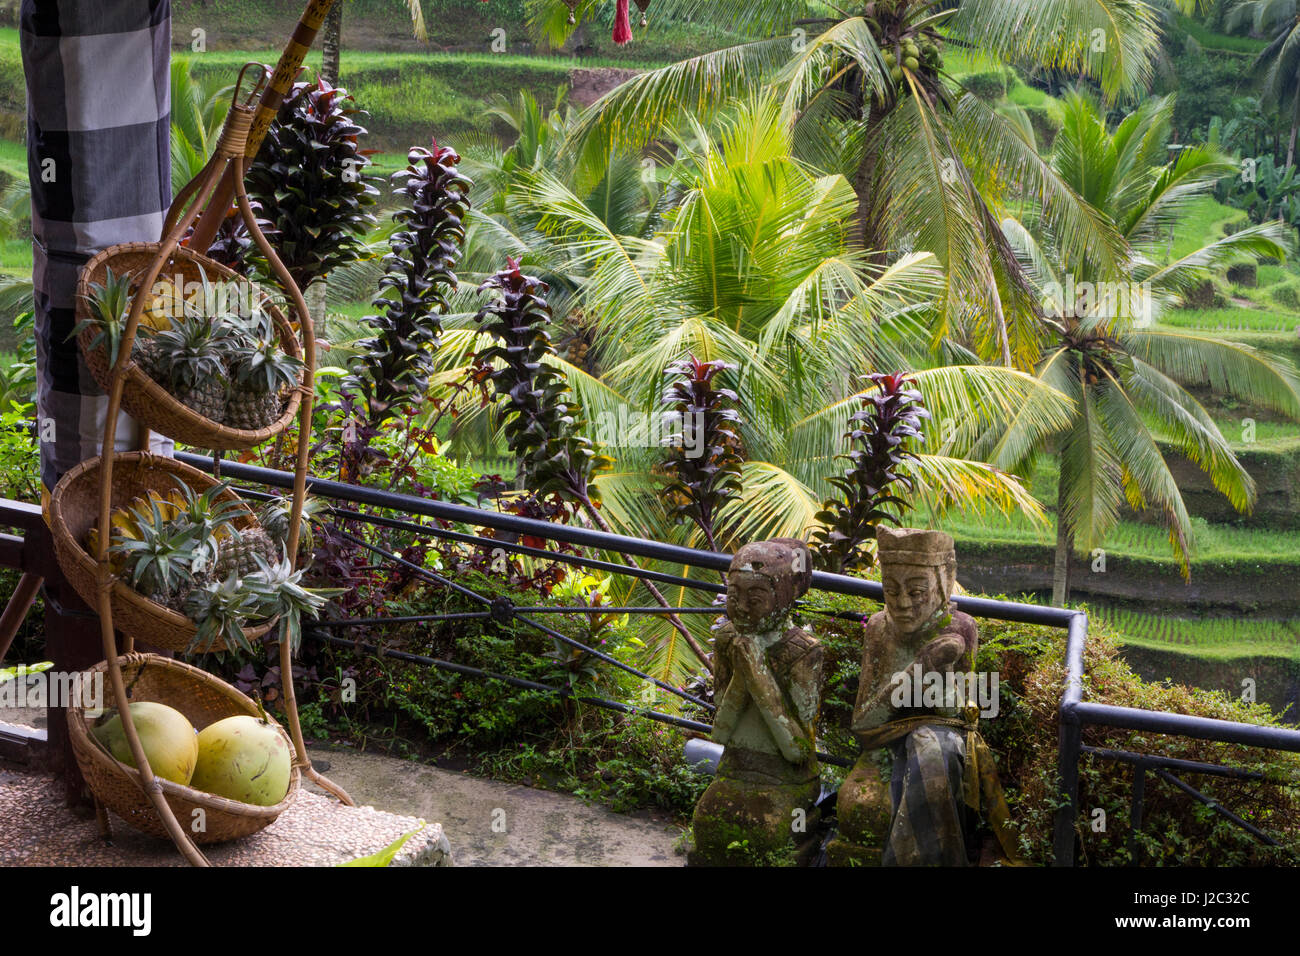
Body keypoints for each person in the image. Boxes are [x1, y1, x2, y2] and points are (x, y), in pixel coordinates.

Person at [21, 0, 174, 501]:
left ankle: (104, 501)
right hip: (79, 257)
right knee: (82, 453)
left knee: (137, 388)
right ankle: (78, 510)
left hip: (130, 256)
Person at [689, 538, 823, 865]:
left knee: (764, 831)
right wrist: (743, 666)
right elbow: (720, 731)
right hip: (736, 767)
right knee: (710, 821)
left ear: (785, 597)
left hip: (787, 778)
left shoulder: (804, 650)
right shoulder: (728, 638)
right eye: (734, 596)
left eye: (756, 596)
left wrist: (756, 669)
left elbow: (796, 749)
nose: (742, 608)